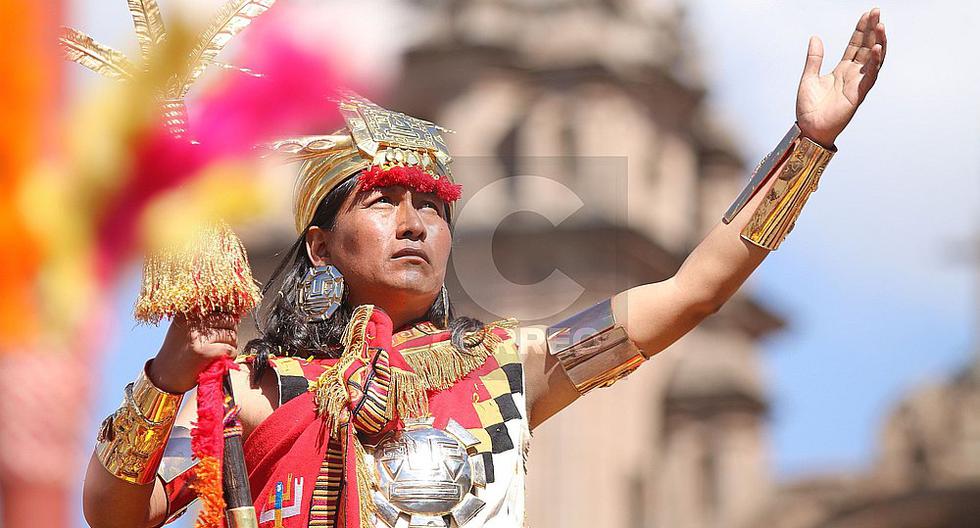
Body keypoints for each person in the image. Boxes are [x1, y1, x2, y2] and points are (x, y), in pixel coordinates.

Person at [83, 8, 887, 528]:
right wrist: (166, 378)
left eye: (431, 207)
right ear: (320, 247)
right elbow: (114, 515)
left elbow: (692, 290)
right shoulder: (255, 392)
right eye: (381, 202)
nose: (414, 225)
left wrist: (808, 146)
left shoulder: (511, 370)